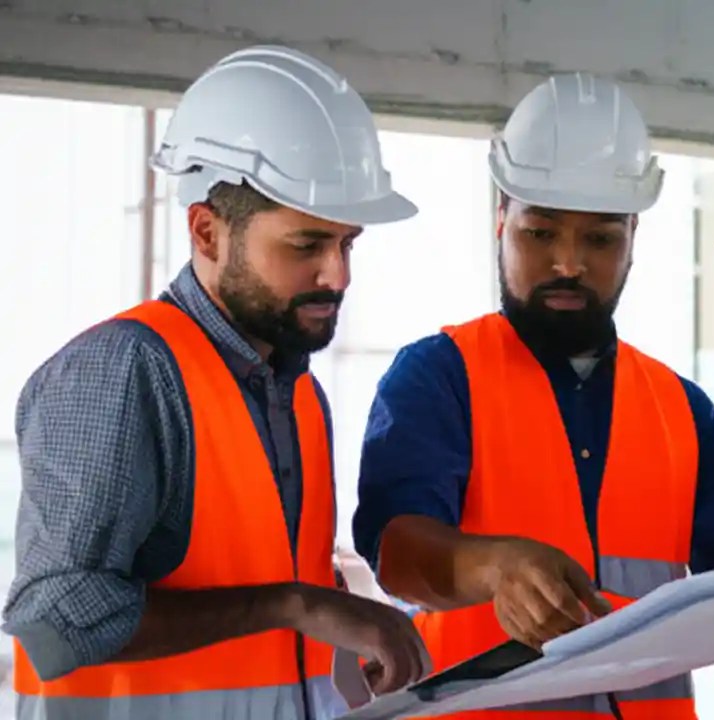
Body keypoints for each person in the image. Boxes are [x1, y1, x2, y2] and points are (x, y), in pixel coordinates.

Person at [3, 45, 430, 720]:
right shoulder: (122, 373)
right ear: (207, 231)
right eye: (305, 245)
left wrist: (336, 633)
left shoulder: (297, 394)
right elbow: (55, 620)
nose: (337, 275)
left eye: (347, 244)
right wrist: (294, 605)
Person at [355, 71, 714, 720]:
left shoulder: (683, 411)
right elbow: (397, 552)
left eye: (599, 238)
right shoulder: (439, 376)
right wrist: (492, 568)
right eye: (541, 233)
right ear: (501, 219)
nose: (569, 263)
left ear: (634, 236)